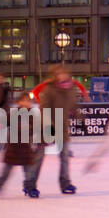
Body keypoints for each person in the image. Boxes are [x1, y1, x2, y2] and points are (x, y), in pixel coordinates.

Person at [35, 65, 82, 194]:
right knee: (39, 157)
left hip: (62, 126)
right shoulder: (49, 89)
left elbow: (73, 104)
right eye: (60, 74)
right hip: (46, 126)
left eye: (64, 73)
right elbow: (44, 109)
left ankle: (65, 183)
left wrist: (80, 116)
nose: (63, 76)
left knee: (65, 156)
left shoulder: (71, 88)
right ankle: (30, 184)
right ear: (55, 76)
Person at [0, 92, 44, 198]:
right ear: (19, 102)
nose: (26, 103)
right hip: (13, 148)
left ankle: (30, 188)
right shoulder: (14, 114)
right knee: (6, 171)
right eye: (24, 101)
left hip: (26, 149)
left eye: (28, 101)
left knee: (30, 173)